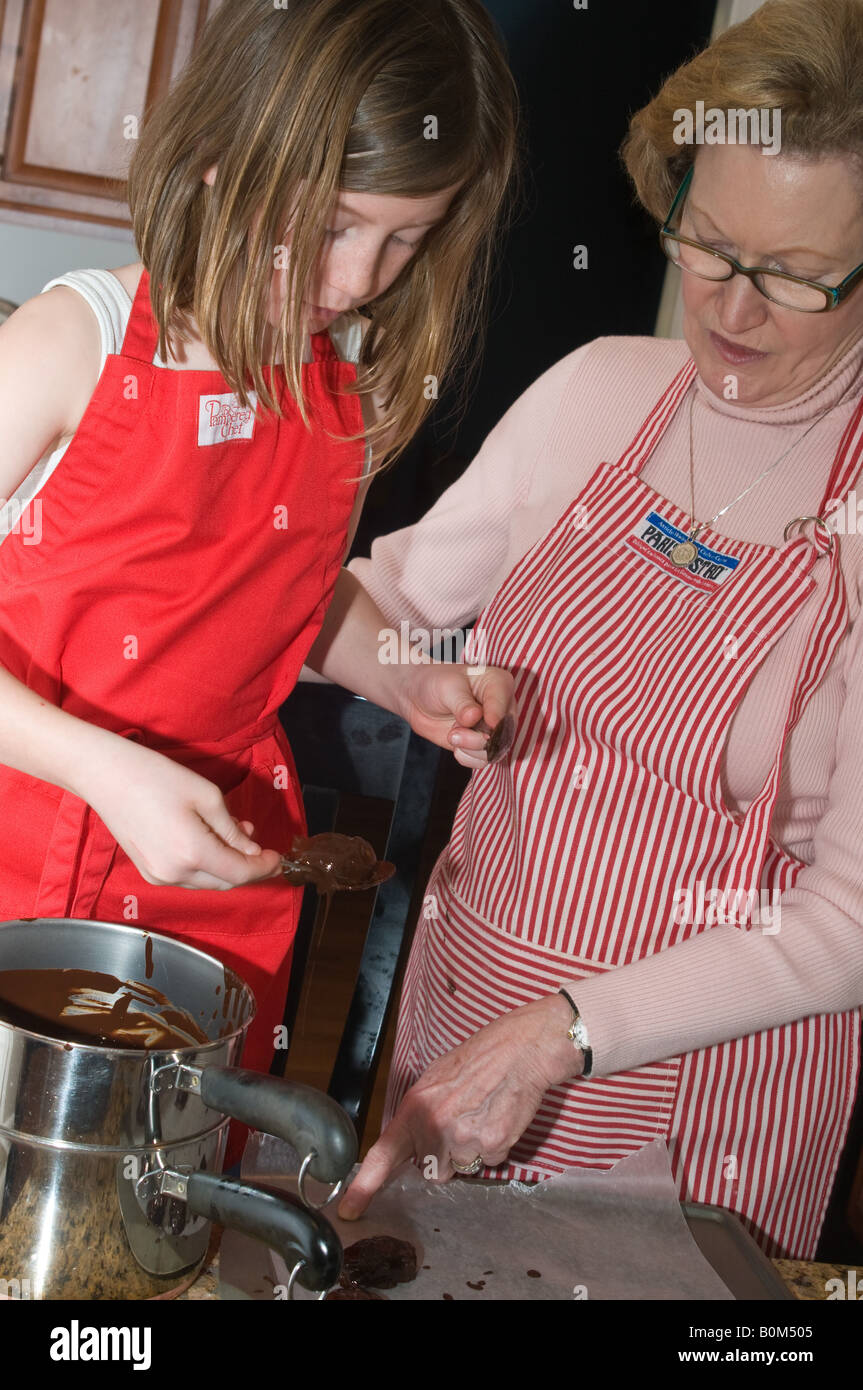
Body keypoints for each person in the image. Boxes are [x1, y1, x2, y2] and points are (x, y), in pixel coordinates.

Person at [334, 0, 863, 1259]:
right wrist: (423, 679)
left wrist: (559, 1033)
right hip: (461, 1019)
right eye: (704, 242)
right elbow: (374, 605)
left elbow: (851, 924)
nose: (730, 308)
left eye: (792, 276)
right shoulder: (595, 390)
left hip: (696, 1104)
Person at [0, 0, 517, 1144]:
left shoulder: (342, 371)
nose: (359, 278)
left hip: (219, 871)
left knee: (155, 1198)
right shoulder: (69, 344)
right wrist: (106, 769)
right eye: (334, 225)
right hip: (17, 859)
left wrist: (403, 676)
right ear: (225, 155)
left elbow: (287, 590)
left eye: (405, 239)